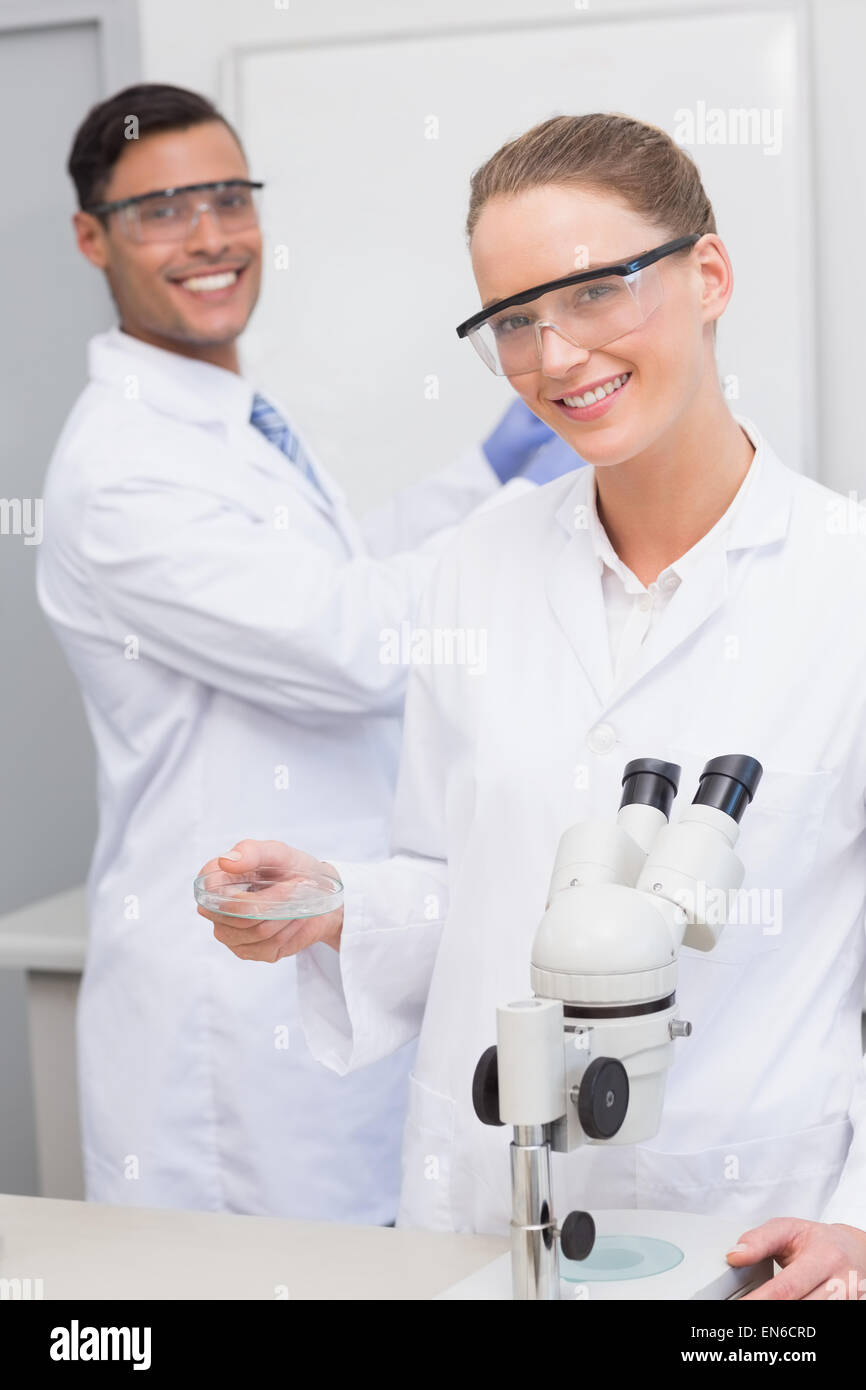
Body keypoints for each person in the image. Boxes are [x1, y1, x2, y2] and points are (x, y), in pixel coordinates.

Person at [199, 112, 866, 1298]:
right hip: (494, 1217)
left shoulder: (842, 582)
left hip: (753, 1228)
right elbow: (464, 879)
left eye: (595, 291)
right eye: (514, 321)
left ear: (706, 275)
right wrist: (340, 909)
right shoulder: (474, 564)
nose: (555, 357)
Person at [36, 83, 580, 1222]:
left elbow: (334, 572)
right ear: (93, 237)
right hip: (230, 1022)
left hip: (330, 941)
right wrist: (531, 527)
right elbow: (350, 642)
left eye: (228, 197)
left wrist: (478, 478)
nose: (209, 236)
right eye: (161, 210)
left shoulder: (230, 416)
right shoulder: (123, 470)